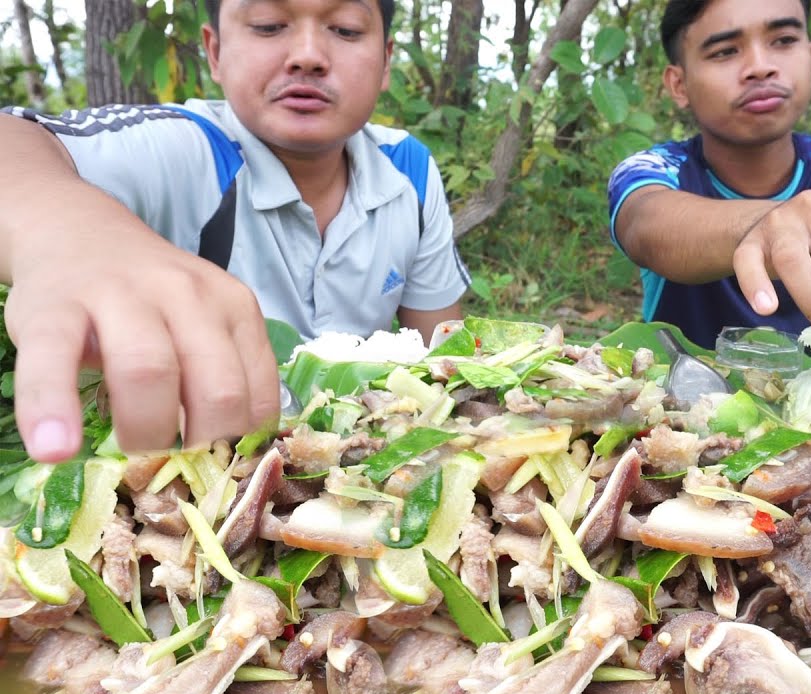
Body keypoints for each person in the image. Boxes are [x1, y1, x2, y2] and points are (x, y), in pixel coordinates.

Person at [0, 0, 470, 464]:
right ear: (215, 51)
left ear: (386, 60)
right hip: (196, 473)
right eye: (268, 25)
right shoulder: (183, 150)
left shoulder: (409, 169)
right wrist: (70, 232)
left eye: (346, 29)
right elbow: (14, 138)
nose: (308, 55)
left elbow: (446, 364)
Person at [608, 0, 811, 350]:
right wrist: (779, 223)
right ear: (679, 84)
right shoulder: (654, 169)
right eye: (725, 51)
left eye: (783, 40)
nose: (760, 67)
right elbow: (646, 225)